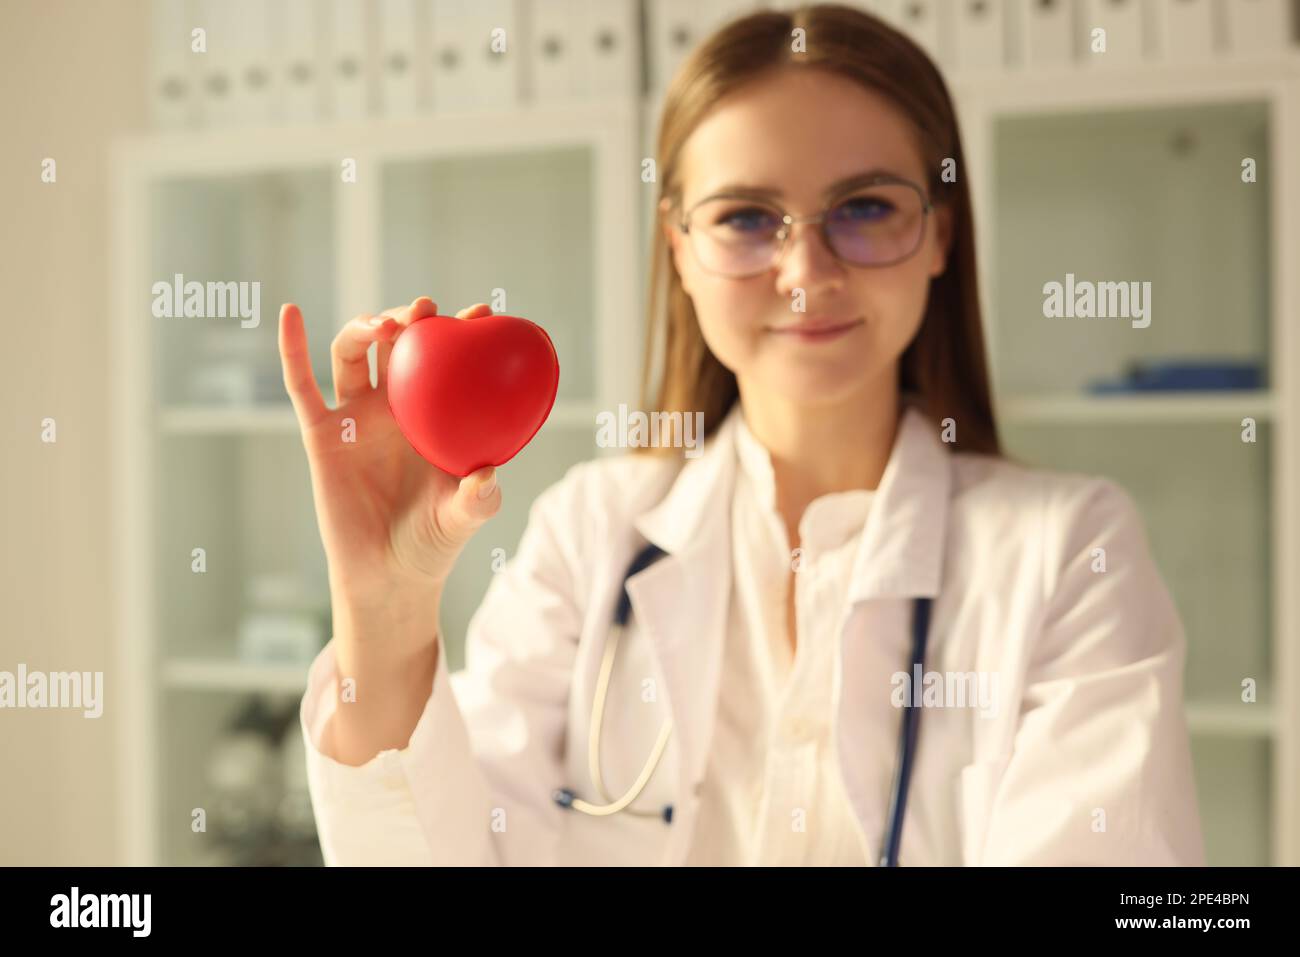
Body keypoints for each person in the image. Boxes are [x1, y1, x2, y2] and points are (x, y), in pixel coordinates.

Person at [278, 4, 1203, 866]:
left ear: (940, 234)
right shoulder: (588, 533)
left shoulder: (1070, 550)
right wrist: (386, 612)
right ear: (680, 249)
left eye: (867, 208)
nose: (806, 272)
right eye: (748, 218)